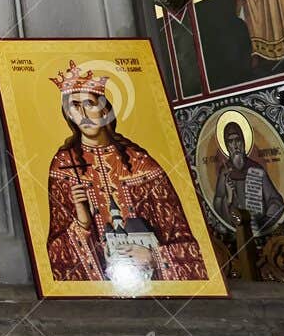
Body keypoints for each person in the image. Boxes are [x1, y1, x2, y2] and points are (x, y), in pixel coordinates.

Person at [43, 63, 207, 283]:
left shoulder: (141, 163)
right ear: (68, 115)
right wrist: (82, 224)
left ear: (104, 109)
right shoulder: (63, 166)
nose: (83, 114)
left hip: (154, 283)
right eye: (74, 106)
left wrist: (154, 257)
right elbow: (55, 253)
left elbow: (185, 243)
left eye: (89, 104)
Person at [211, 120, 284, 229]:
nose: (235, 146)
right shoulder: (225, 172)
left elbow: (275, 201)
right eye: (230, 142)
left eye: (238, 140)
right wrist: (229, 198)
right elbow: (218, 203)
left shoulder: (256, 169)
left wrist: (264, 221)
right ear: (227, 146)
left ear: (244, 142)